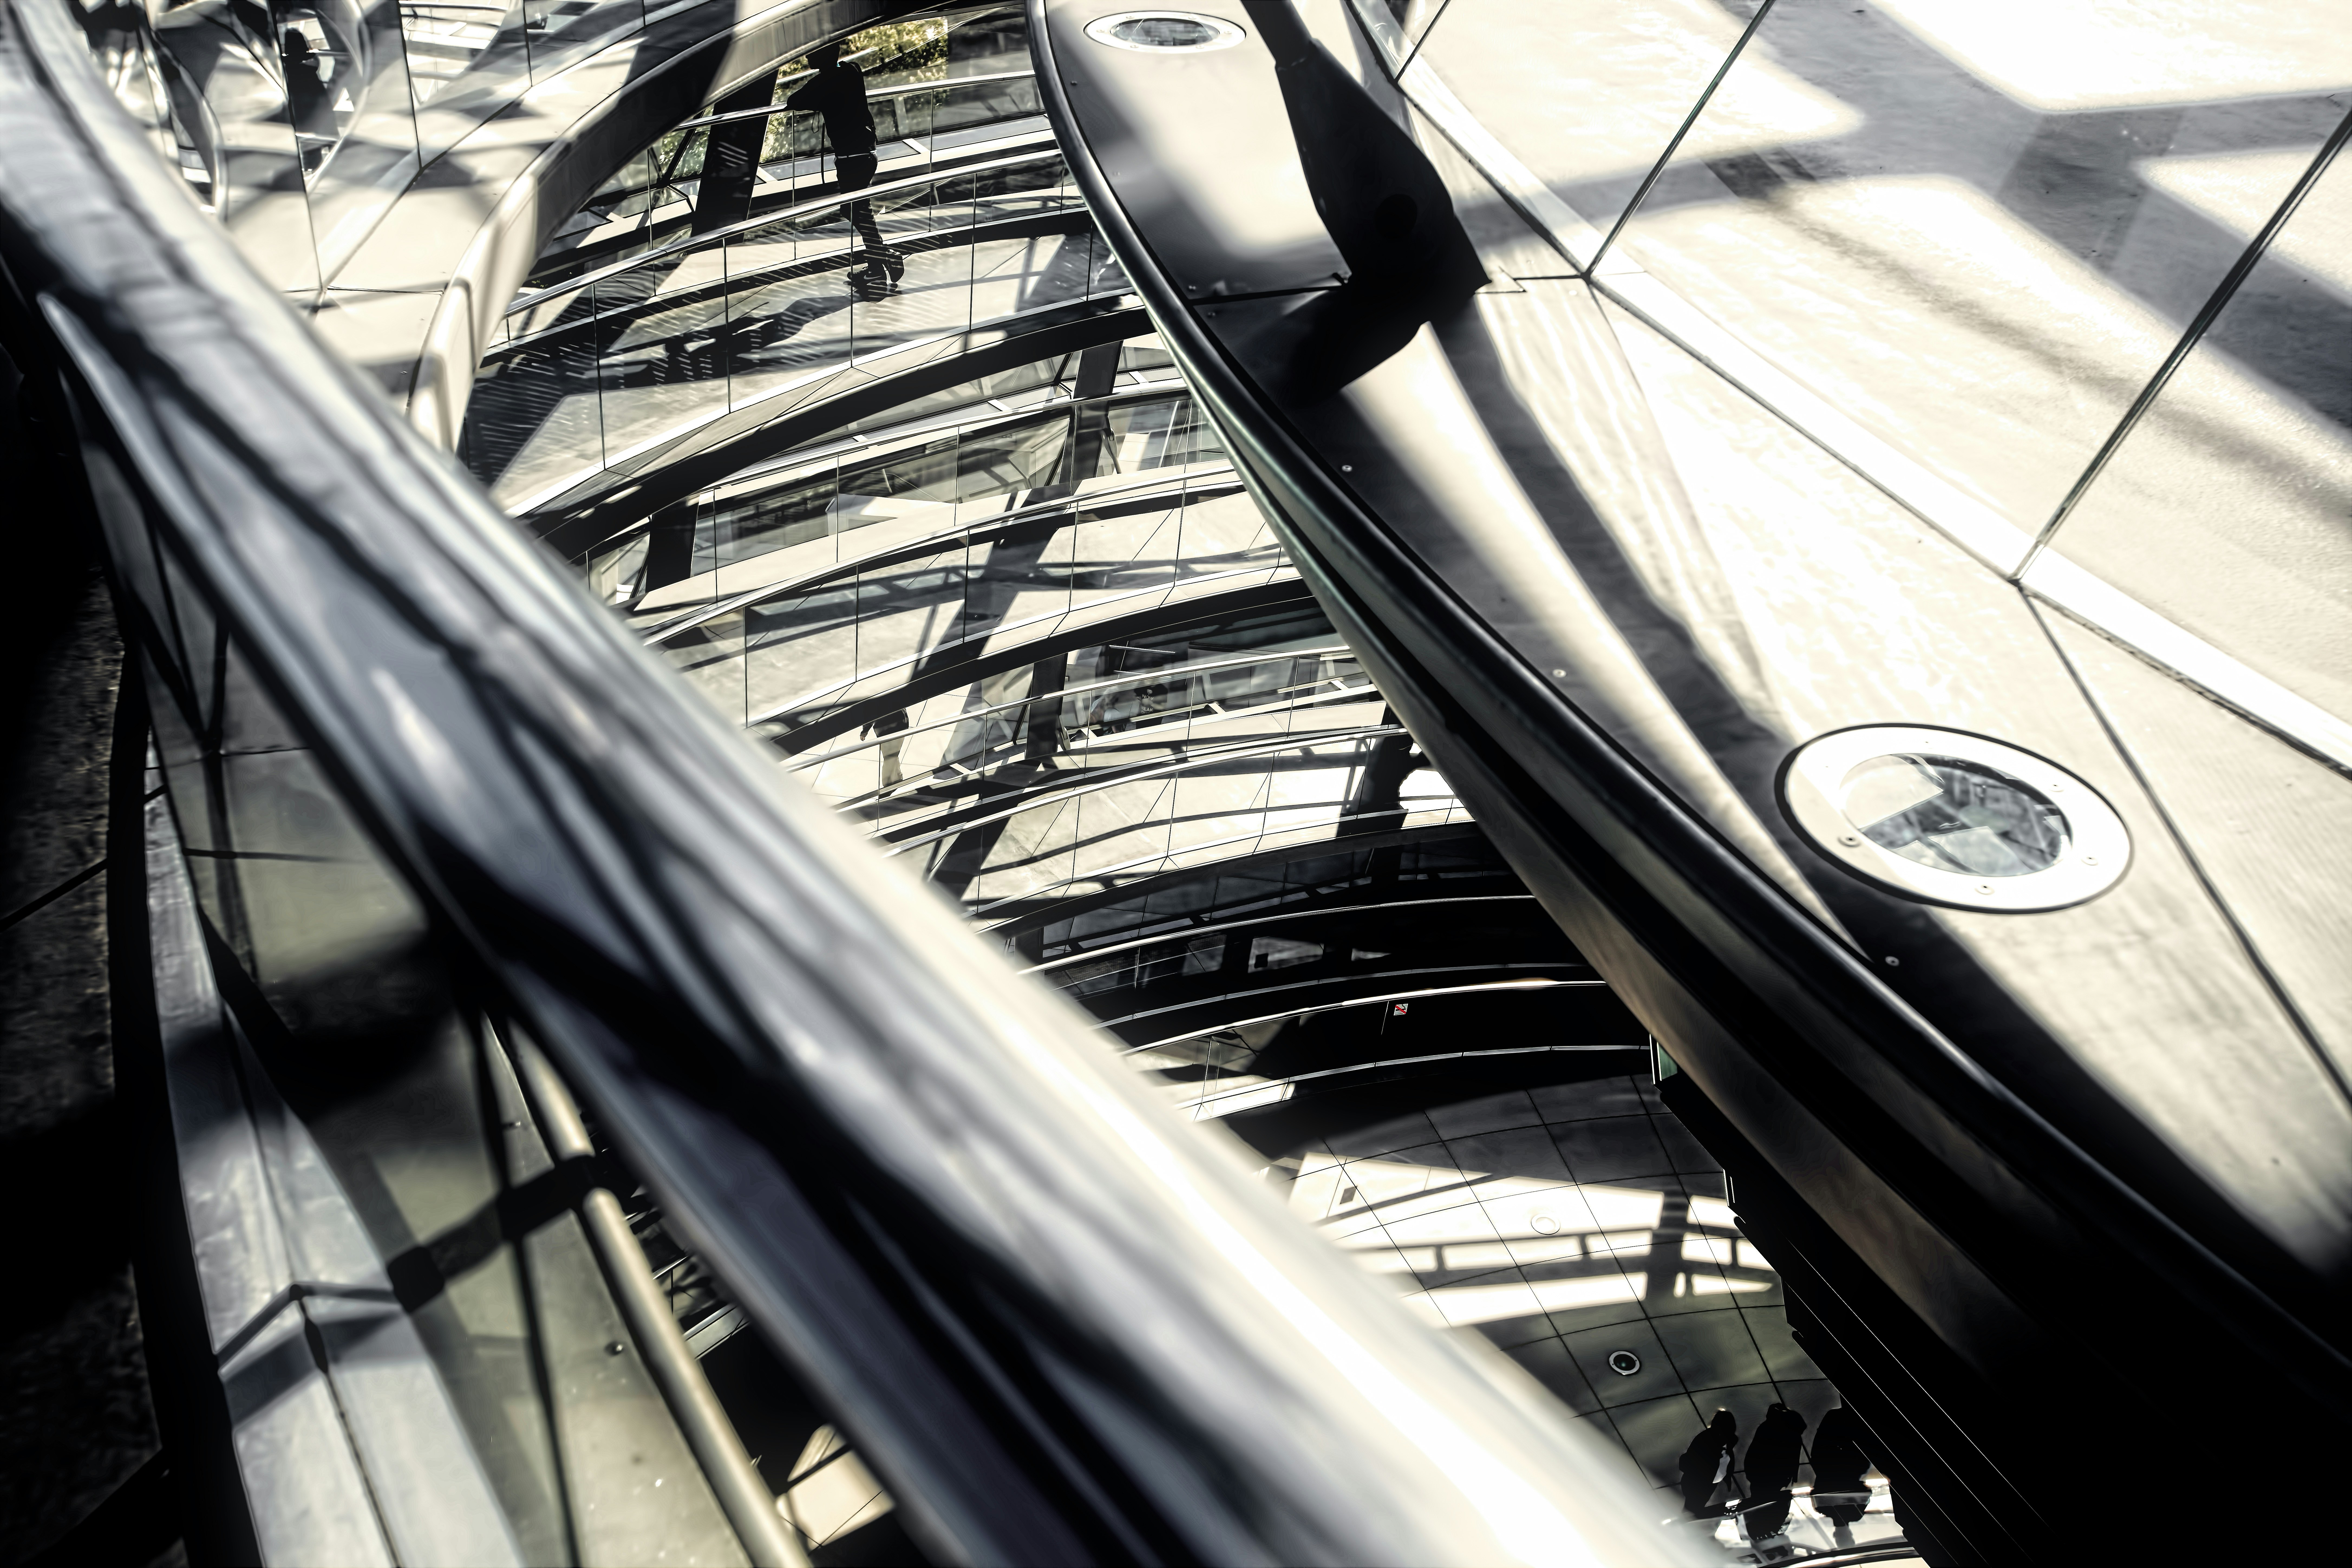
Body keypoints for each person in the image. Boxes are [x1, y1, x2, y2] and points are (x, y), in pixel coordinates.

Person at [786, 43, 901, 296]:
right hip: (865, 153)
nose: (806, 56)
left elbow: (793, 101)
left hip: (851, 159)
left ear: (824, 55)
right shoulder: (852, 69)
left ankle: (886, 256)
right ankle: (876, 268)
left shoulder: (826, 81)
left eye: (812, 52)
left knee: (856, 210)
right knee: (857, 209)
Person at [1740, 1402, 1808, 1551]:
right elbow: (1790, 1457)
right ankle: (1769, 1539)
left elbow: (1755, 1455)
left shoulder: (1771, 1429)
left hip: (1765, 1479)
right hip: (1771, 1479)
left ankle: (1769, 1540)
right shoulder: (1789, 1433)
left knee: (1763, 1505)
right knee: (1765, 1506)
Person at [1809, 1404, 1871, 1550]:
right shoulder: (1822, 1509)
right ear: (1835, 1535)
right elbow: (1815, 1491)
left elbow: (1866, 1492)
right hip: (1827, 1462)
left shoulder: (1857, 1514)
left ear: (1851, 1534)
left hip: (1852, 1465)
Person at [1676, 1409, 1739, 1519]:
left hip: (1710, 1482)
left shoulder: (1727, 1440)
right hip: (1699, 1482)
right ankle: (1686, 1526)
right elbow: (1699, 1461)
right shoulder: (1708, 1438)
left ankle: (1688, 1525)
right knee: (1693, 1508)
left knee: (1695, 1508)